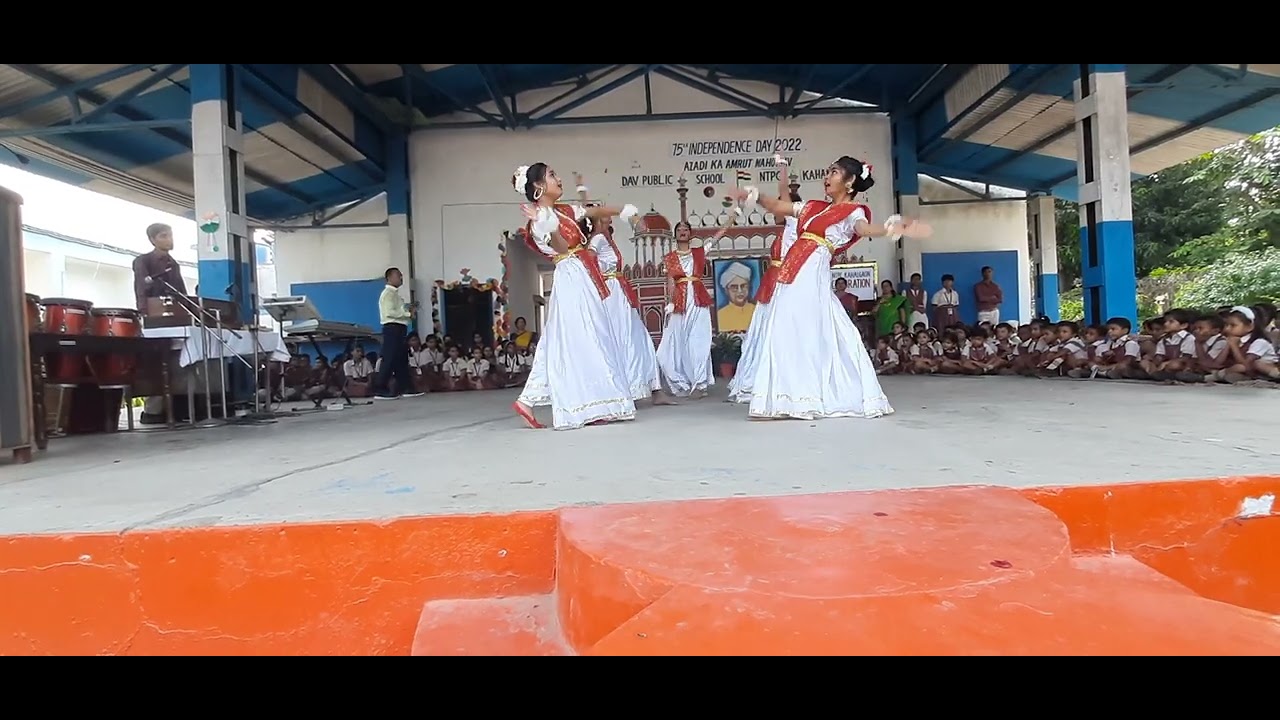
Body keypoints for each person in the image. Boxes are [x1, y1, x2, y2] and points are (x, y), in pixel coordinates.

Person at [727, 156, 928, 420]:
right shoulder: (813, 207)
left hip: (812, 271)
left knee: (806, 327)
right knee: (785, 327)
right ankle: (782, 399)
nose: (827, 177)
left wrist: (891, 227)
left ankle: (803, 398)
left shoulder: (852, 212)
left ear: (850, 181)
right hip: (792, 270)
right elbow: (779, 205)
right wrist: (755, 194)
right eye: (827, 171)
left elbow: (864, 228)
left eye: (834, 172)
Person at [510, 162, 642, 430]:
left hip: (583, 271)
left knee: (563, 338)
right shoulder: (539, 220)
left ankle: (528, 400)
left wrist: (623, 210)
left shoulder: (565, 210)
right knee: (586, 334)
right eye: (551, 175)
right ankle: (589, 404)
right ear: (538, 186)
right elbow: (560, 247)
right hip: (571, 274)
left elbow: (593, 211)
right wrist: (552, 227)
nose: (558, 178)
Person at [577, 195, 674, 407]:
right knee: (626, 340)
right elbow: (588, 260)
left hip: (618, 293)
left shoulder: (605, 239)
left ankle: (650, 389)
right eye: (605, 215)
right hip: (611, 295)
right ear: (598, 220)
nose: (610, 217)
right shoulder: (598, 240)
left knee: (638, 340)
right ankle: (630, 390)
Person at [728, 166, 799, 404]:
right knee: (762, 332)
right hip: (773, 284)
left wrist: (782, 169)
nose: (773, 211)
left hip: (788, 285)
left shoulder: (795, 227)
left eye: (779, 206)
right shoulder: (783, 233)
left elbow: (783, 192)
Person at [656, 218, 733, 399]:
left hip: (697, 301)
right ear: (675, 235)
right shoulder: (670, 258)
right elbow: (670, 283)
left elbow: (718, 236)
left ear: (691, 234)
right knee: (671, 346)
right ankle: (681, 382)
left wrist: (734, 215)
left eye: (686, 229)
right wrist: (670, 301)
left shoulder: (699, 252)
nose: (682, 231)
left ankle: (699, 384)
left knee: (698, 341)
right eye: (679, 229)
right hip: (680, 303)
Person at [373, 267, 422, 400]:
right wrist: (407, 314)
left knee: (401, 358)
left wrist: (408, 311)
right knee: (389, 358)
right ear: (389, 278)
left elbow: (399, 311)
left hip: (399, 328)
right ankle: (380, 388)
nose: (401, 278)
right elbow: (389, 312)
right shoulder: (388, 294)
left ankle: (406, 387)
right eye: (398, 275)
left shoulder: (396, 295)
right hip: (391, 328)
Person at [132, 222, 186, 312]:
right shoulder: (143, 261)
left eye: (170, 235)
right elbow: (141, 290)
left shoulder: (173, 264)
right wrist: (143, 313)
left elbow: (181, 291)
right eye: (163, 236)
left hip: (174, 312)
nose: (169, 239)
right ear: (152, 240)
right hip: (153, 312)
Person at [716, 261, 757, 333]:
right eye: (734, 287)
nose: (740, 291)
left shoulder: (757, 311)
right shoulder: (720, 315)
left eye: (743, 286)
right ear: (726, 290)